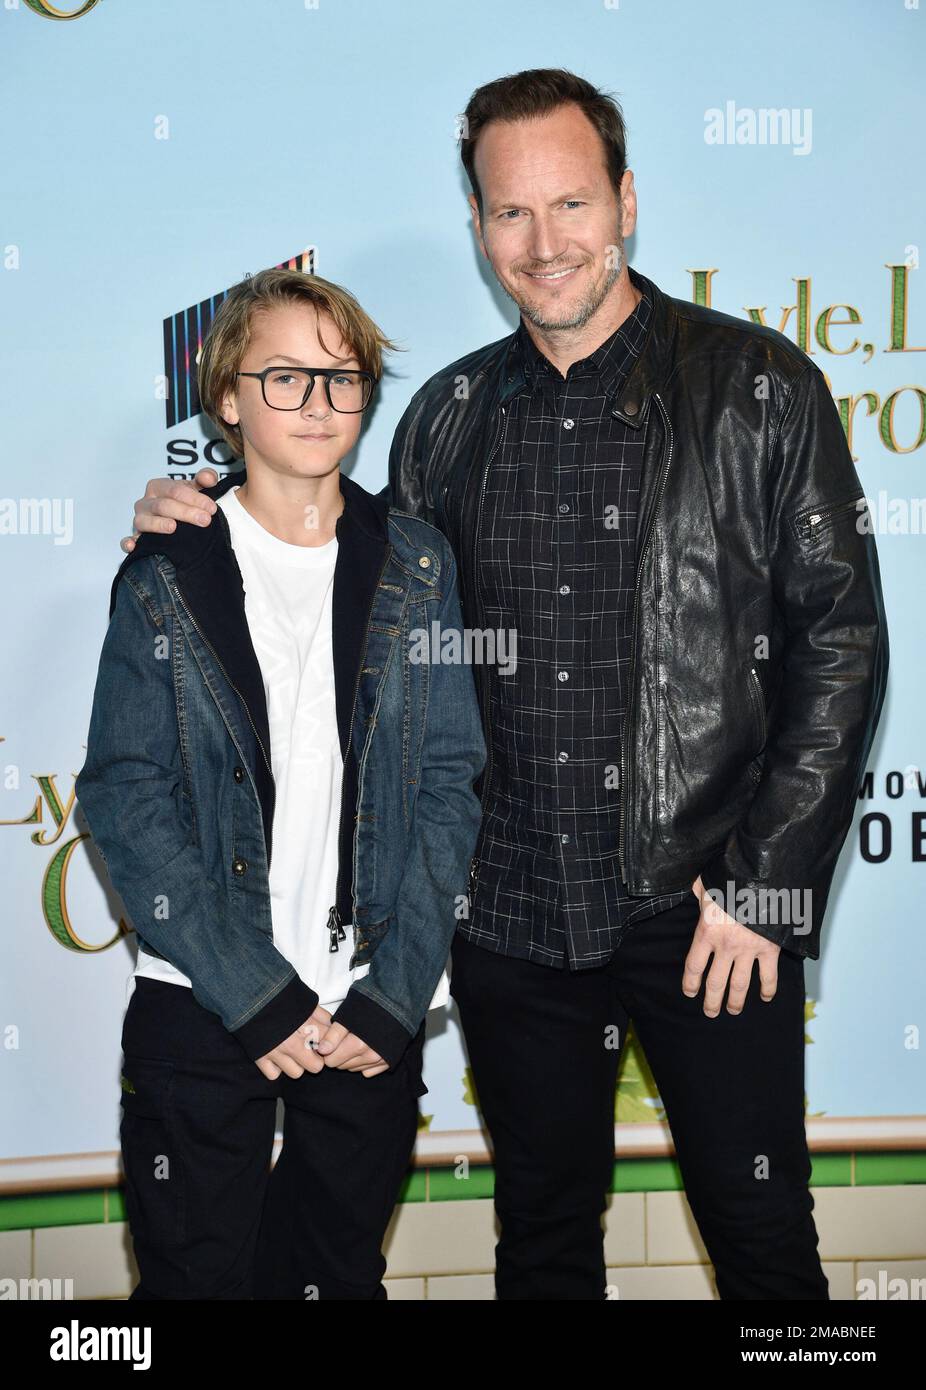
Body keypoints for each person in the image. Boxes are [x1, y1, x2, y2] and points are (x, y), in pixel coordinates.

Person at [121, 69, 889, 1300]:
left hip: (707, 915)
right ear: (478, 226)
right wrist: (200, 511)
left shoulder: (759, 388)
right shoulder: (446, 416)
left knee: (764, 1247)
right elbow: (341, 567)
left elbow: (840, 642)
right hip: (513, 926)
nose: (543, 244)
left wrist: (764, 882)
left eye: (570, 205)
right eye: (509, 214)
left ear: (626, 202)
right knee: (539, 1243)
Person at [76, 268, 486, 1300]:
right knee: (194, 1285)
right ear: (227, 397)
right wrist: (254, 996)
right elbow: (125, 794)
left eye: (340, 379)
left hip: (363, 1011)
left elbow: (447, 783)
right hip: (204, 1000)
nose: (317, 405)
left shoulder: (418, 567)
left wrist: (394, 1001)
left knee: (334, 1280)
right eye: (286, 377)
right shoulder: (169, 568)